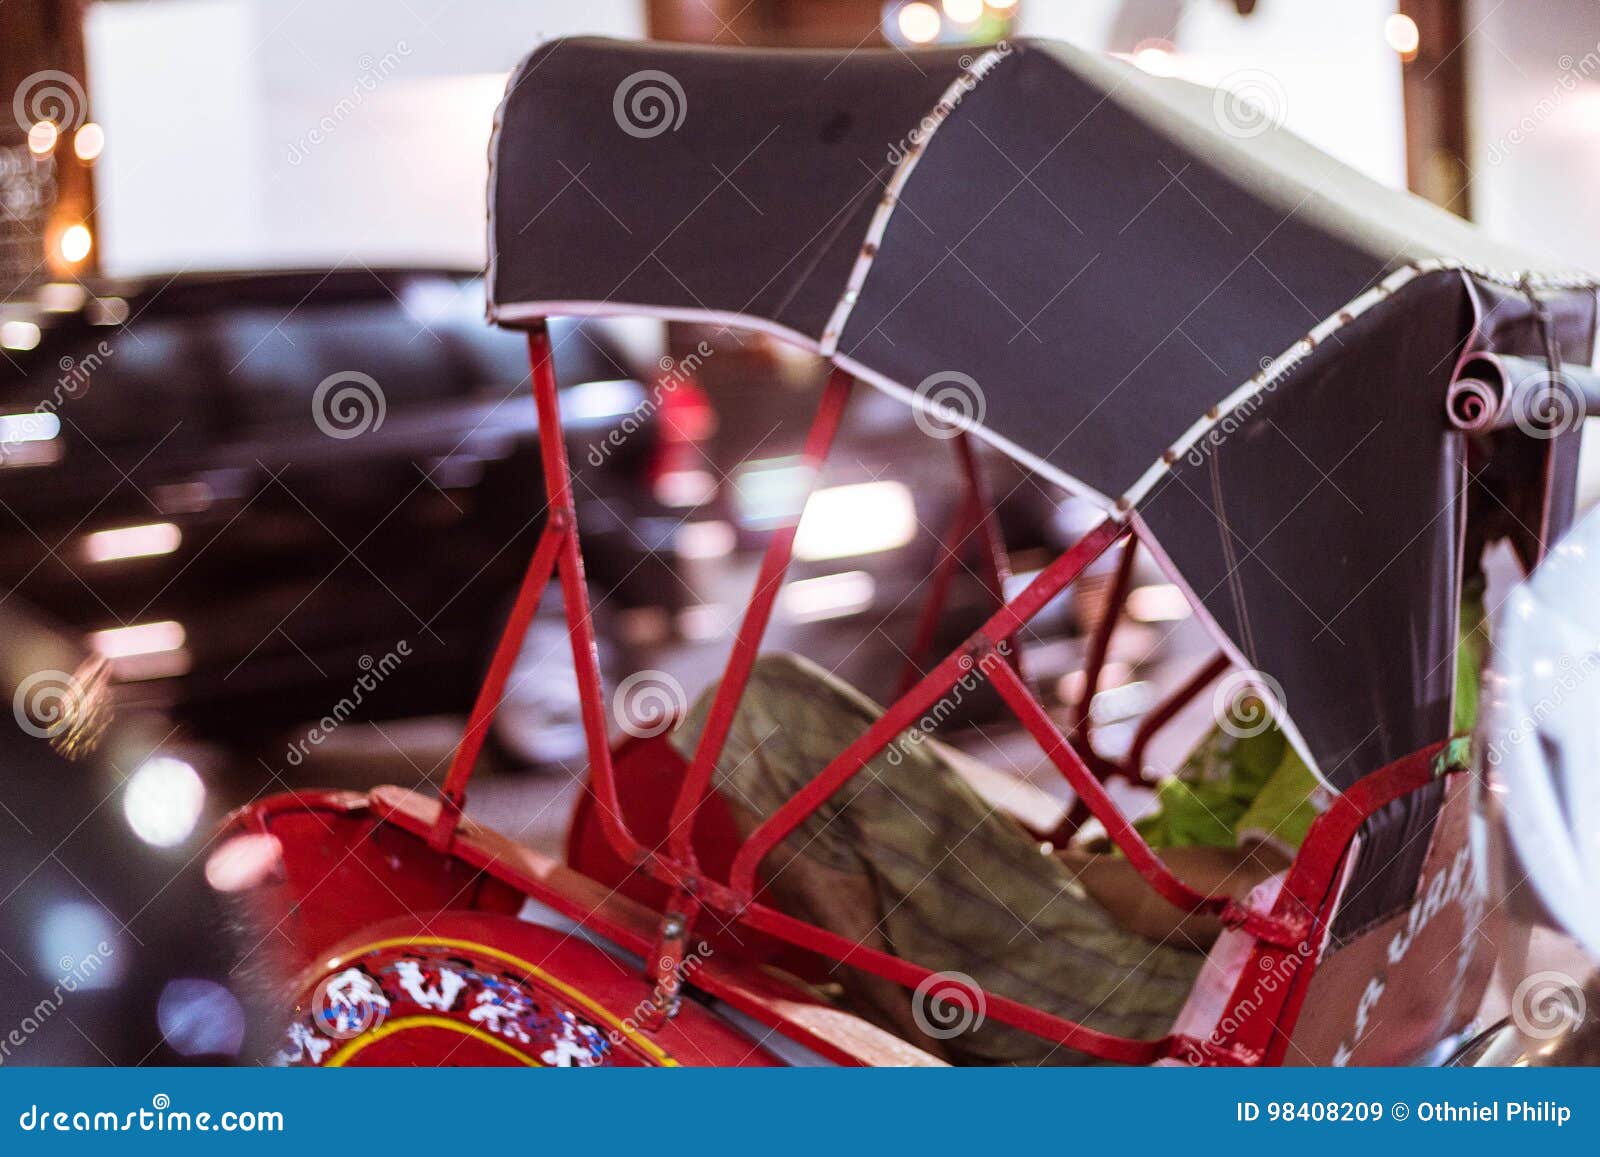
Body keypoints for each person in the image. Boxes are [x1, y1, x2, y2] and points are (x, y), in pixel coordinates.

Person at [669, 589, 1486, 1065]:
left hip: (1152, 997)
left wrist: (1067, 870)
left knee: (764, 704)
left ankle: (898, 1016)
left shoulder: (1414, 657)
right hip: (1149, 942)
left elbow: (1251, 891)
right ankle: (893, 990)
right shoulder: (1401, 633)